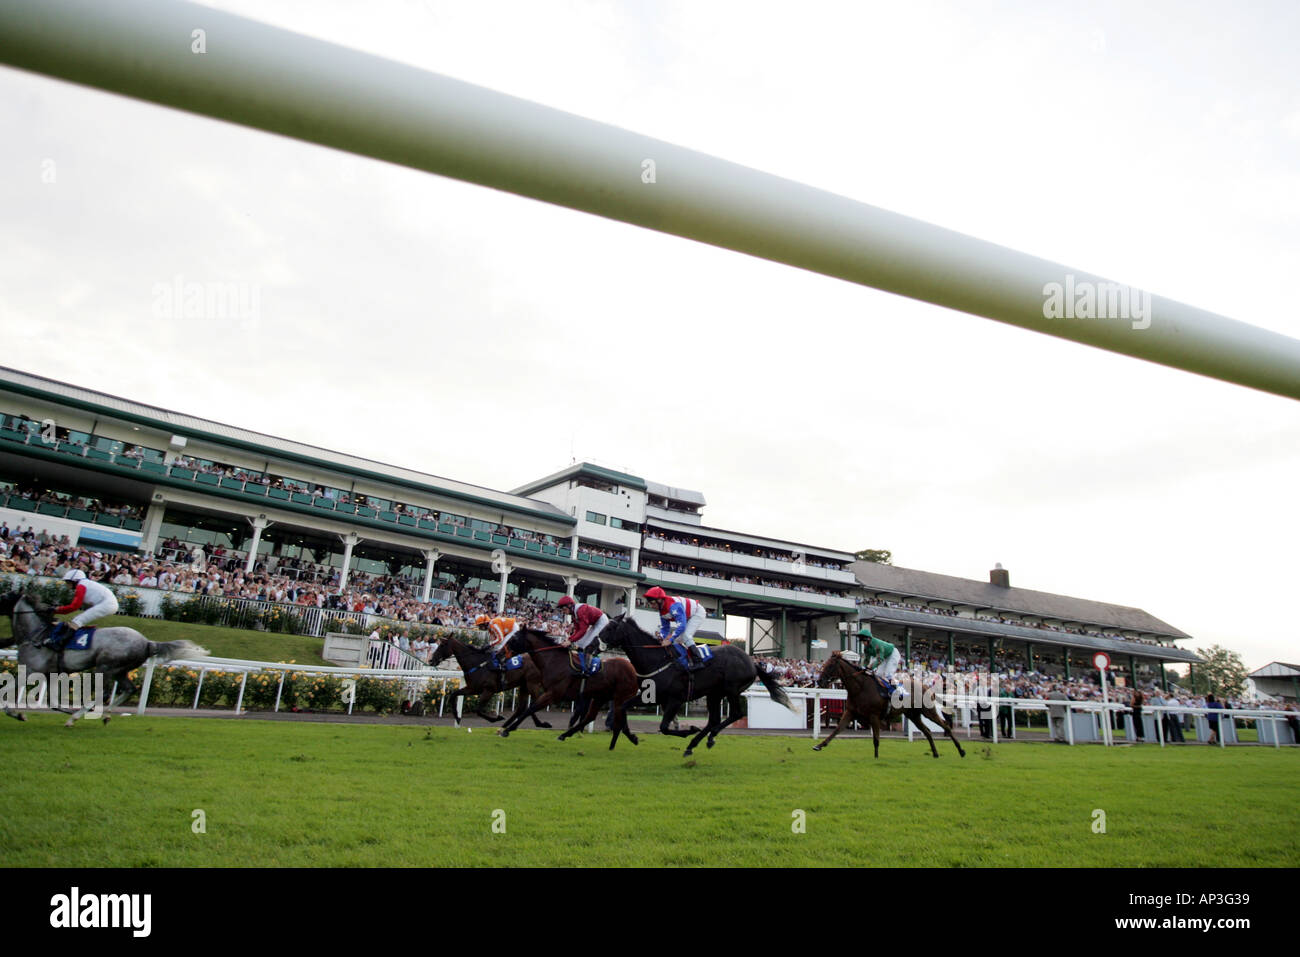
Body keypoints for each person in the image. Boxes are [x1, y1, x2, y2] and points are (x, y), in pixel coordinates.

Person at [48, 568, 120, 648]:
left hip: (107, 604)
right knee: (76, 619)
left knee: (77, 621)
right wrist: (57, 610)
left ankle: (59, 644)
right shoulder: (84, 583)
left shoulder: (81, 586)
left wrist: (56, 610)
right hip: (108, 603)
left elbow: (74, 607)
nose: (66, 584)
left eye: (68, 582)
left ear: (74, 580)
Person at [644, 586, 706, 671]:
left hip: (697, 613)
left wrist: (670, 639)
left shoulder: (673, 606)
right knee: (676, 641)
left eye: (653, 603)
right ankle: (685, 661)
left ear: (659, 600)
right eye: (650, 603)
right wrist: (661, 637)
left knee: (686, 636)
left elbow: (682, 626)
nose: (651, 606)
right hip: (687, 616)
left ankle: (699, 661)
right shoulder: (661, 610)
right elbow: (665, 628)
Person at [556, 596, 608, 674]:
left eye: (564, 609)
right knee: (580, 643)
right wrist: (569, 639)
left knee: (588, 644)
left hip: (602, 621)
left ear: (570, 606)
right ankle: (581, 665)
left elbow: (583, 630)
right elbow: (577, 630)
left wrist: (570, 641)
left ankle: (587, 669)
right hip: (595, 623)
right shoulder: (574, 614)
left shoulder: (581, 610)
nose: (563, 612)